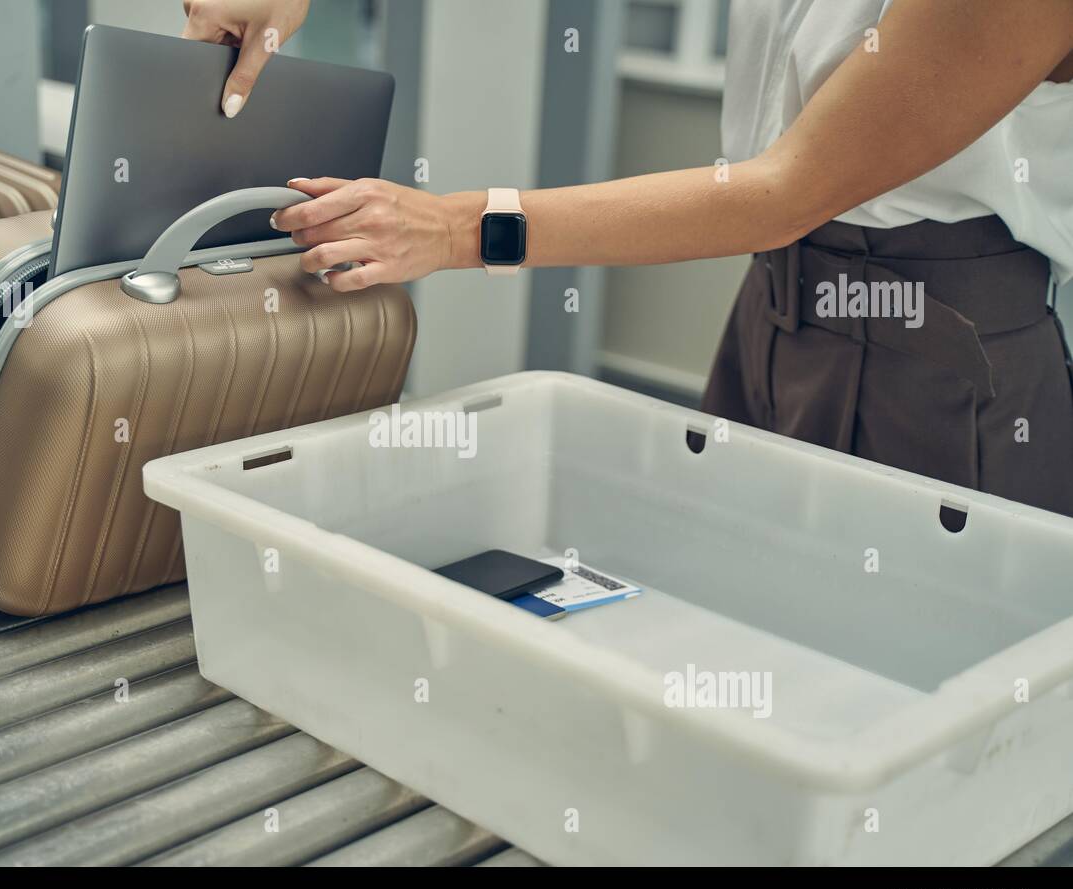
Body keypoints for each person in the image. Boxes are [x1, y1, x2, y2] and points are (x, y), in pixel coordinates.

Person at [183, 0, 1073, 516]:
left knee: (903, 717)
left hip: (935, 357)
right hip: (771, 313)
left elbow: (784, 191)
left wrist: (457, 229)